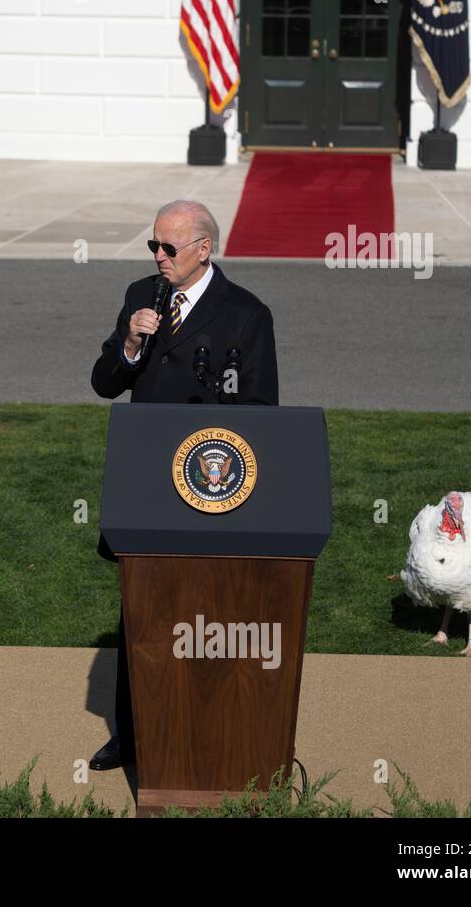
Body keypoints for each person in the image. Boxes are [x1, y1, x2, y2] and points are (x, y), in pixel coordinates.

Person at [88, 200, 279, 772]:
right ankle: (131, 734)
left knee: (206, 612)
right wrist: (129, 343)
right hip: (146, 480)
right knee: (140, 610)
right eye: (154, 245)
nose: (159, 257)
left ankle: (208, 725)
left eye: (170, 248)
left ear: (205, 249)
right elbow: (103, 382)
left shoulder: (246, 313)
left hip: (209, 482)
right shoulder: (140, 296)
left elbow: (262, 410)